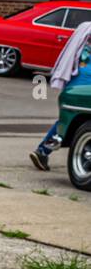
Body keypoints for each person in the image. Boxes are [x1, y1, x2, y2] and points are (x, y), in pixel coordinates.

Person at [31, 20, 91, 170]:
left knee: (69, 117)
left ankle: (43, 150)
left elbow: (72, 51)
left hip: (78, 74)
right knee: (71, 117)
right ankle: (44, 150)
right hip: (86, 80)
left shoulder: (85, 27)